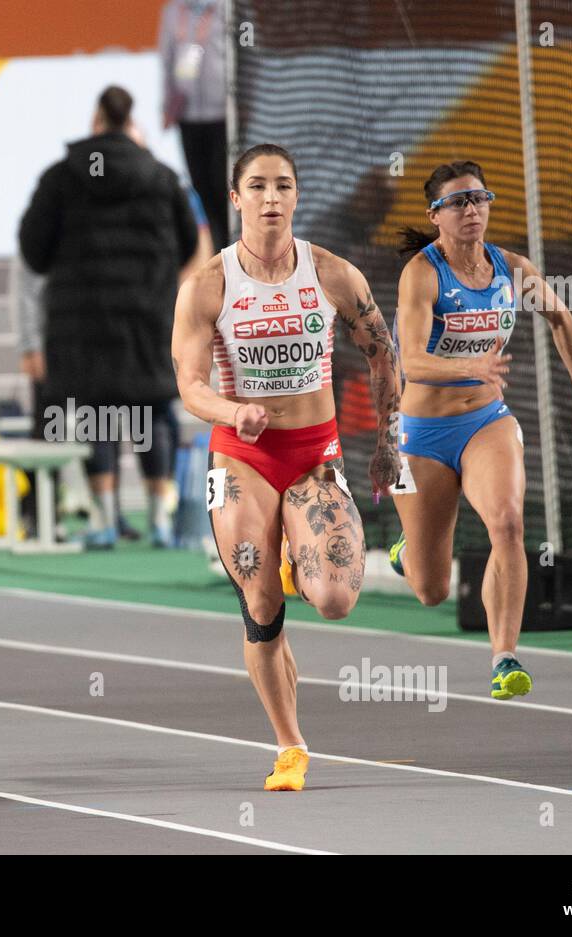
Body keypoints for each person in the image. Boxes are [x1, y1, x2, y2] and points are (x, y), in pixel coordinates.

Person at [172, 143, 401, 791]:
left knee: (332, 597)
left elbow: (384, 355)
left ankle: (293, 553)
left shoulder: (332, 275)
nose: (271, 197)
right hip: (242, 457)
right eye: (258, 186)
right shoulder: (207, 287)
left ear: (296, 197)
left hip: (314, 457)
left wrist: (388, 442)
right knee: (262, 596)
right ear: (236, 199)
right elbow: (189, 385)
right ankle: (291, 747)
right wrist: (228, 409)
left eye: (283, 185)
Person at [389, 160, 572, 701]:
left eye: (479, 198)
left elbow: (562, 319)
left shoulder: (513, 268)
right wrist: (473, 367)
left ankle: (505, 657)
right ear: (436, 215)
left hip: (485, 420)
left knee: (509, 523)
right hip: (423, 431)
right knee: (430, 589)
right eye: (458, 202)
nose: (471, 209)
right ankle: (409, 550)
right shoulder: (422, 273)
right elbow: (415, 364)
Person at [19, 85, 198, 548]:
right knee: (152, 408)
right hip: (146, 316)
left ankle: (102, 520)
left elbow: (33, 253)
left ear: (96, 121)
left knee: (96, 412)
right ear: (128, 121)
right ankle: (160, 518)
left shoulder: (60, 177)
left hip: (80, 323)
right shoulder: (162, 177)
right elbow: (186, 246)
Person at [160, 0, 228, 251]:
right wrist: (168, 105)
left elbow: (246, 56)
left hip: (222, 115)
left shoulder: (226, 9)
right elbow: (167, 60)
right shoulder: (173, 12)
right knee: (201, 186)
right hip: (187, 116)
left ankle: (233, 247)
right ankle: (215, 249)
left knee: (223, 186)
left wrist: (243, 104)